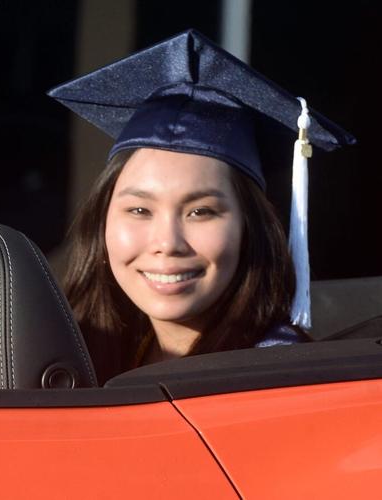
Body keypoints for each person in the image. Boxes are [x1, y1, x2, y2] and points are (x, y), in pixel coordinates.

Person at [50, 30, 355, 380]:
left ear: (250, 228)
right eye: (139, 210)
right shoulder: (90, 354)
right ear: (102, 221)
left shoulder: (279, 380)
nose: (167, 243)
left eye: (200, 212)